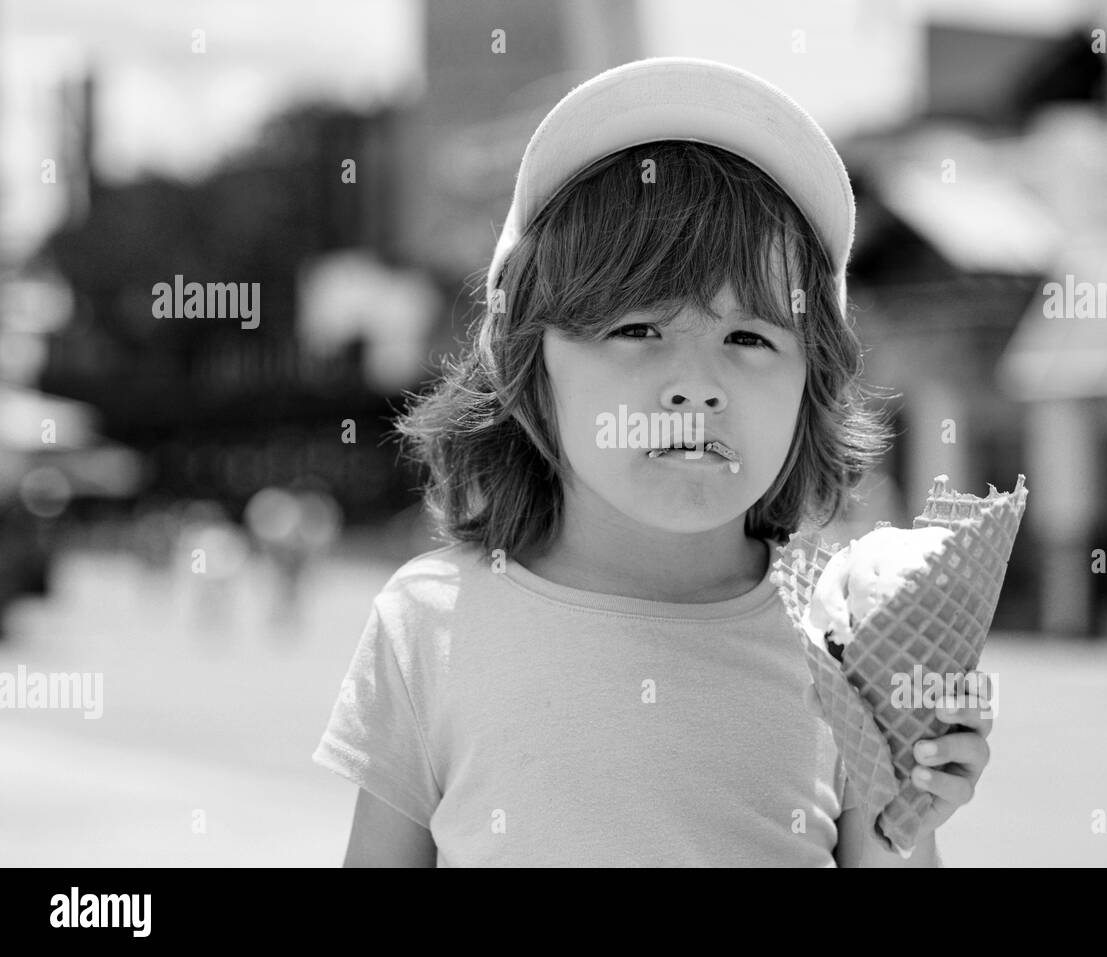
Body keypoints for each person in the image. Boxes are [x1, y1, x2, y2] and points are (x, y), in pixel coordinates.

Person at [312, 57, 992, 867]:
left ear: (813, 385)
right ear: (529, 362)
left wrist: (910, 806)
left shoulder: (844, 648)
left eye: (750, 337)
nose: (695, 387)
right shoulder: (429, 626)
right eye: (636, 329)